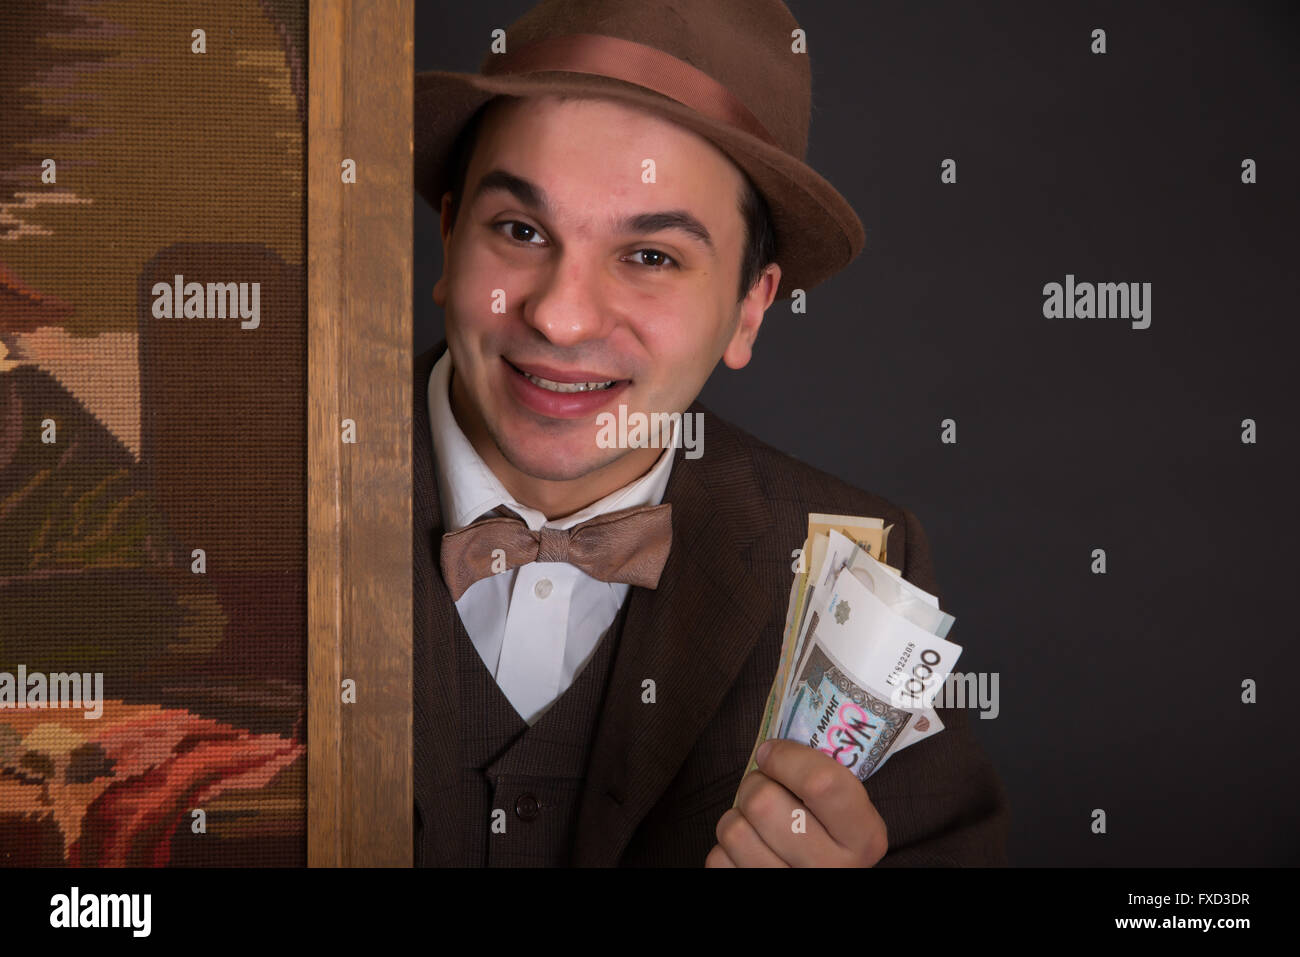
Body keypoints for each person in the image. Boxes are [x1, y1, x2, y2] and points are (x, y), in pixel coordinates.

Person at [412, 0, 1009, 866]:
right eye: (520, 230)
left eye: (651, 256)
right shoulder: (235, 503)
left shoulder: (856, 565)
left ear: (749, 309)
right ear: (448, 233)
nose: (562, 316)